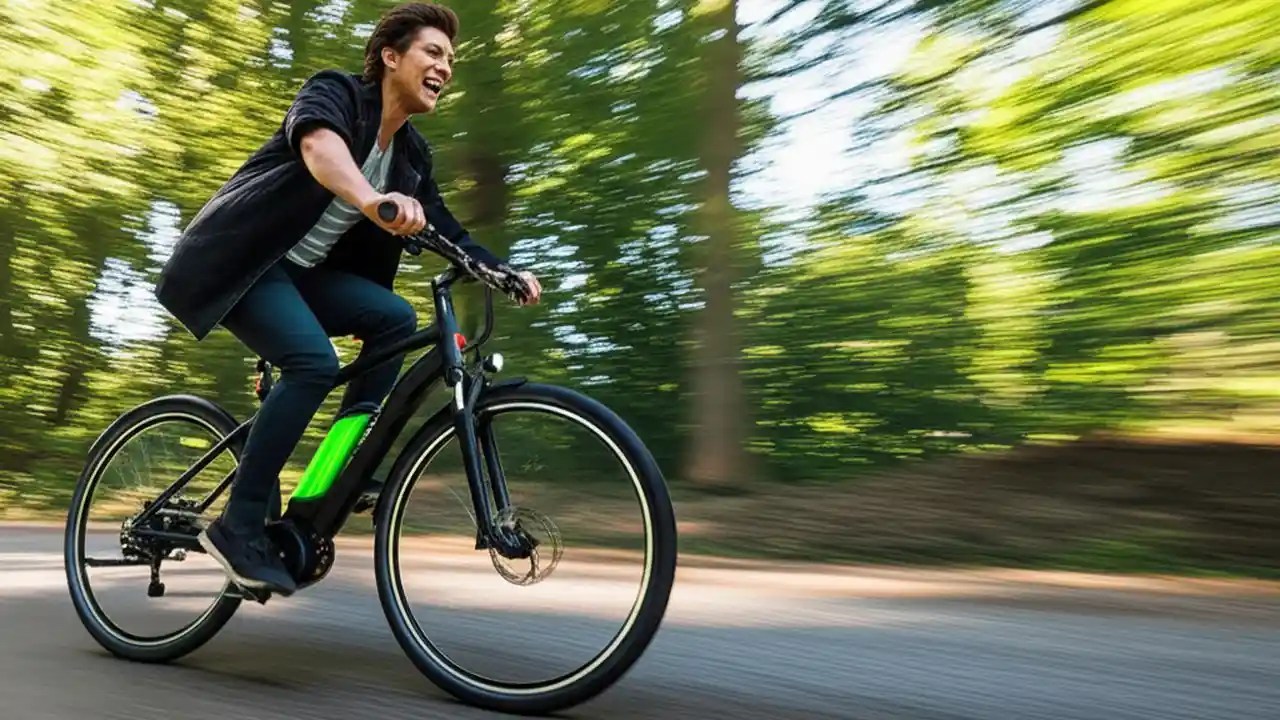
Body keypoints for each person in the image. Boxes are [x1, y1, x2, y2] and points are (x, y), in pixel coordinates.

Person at [154, 2, 541, 596]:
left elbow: (448, 230)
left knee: (394, 319)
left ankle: (335, 472)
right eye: (433, 53)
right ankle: (238, 525)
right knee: (314, 363)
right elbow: (317, 149)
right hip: (245, 264)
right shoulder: (336, 94)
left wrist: (500, 270)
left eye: (452, 60)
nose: (445, 66)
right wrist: (369, 199)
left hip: (305, 277)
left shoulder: (411, 157)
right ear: (391, 57)